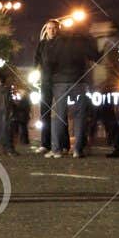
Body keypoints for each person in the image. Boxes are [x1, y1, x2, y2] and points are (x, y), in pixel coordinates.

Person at [42, 21, 88, 158]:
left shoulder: (57, 43)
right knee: (80, 116)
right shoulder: (81, 41)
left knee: (59, 116)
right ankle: (78, 150)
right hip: (78, 82)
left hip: (60, 82)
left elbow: (49, 62)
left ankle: (56, 150)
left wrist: (48, 79)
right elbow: (93, 56)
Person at [90, 22, 119, 158]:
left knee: (106, 117)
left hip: (106, 86)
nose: (93, 28)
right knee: (102, 116)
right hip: (105, 85)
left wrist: (104, 84)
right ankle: (117, 146)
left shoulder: (108, 44)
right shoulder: (107, 43)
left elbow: (110, 66)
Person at [32, 20, 60, 153]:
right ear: (46, 30)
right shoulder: (42, 44)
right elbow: (36, 60)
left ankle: (62, 145)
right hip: (45, 81)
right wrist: (35, 73)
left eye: (54, 28)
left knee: (61, 113)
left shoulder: (62, 43)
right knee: (44, 113)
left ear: (58, 29)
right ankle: (45, 144)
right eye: (49, 28)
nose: (52, 30)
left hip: (59, 81)